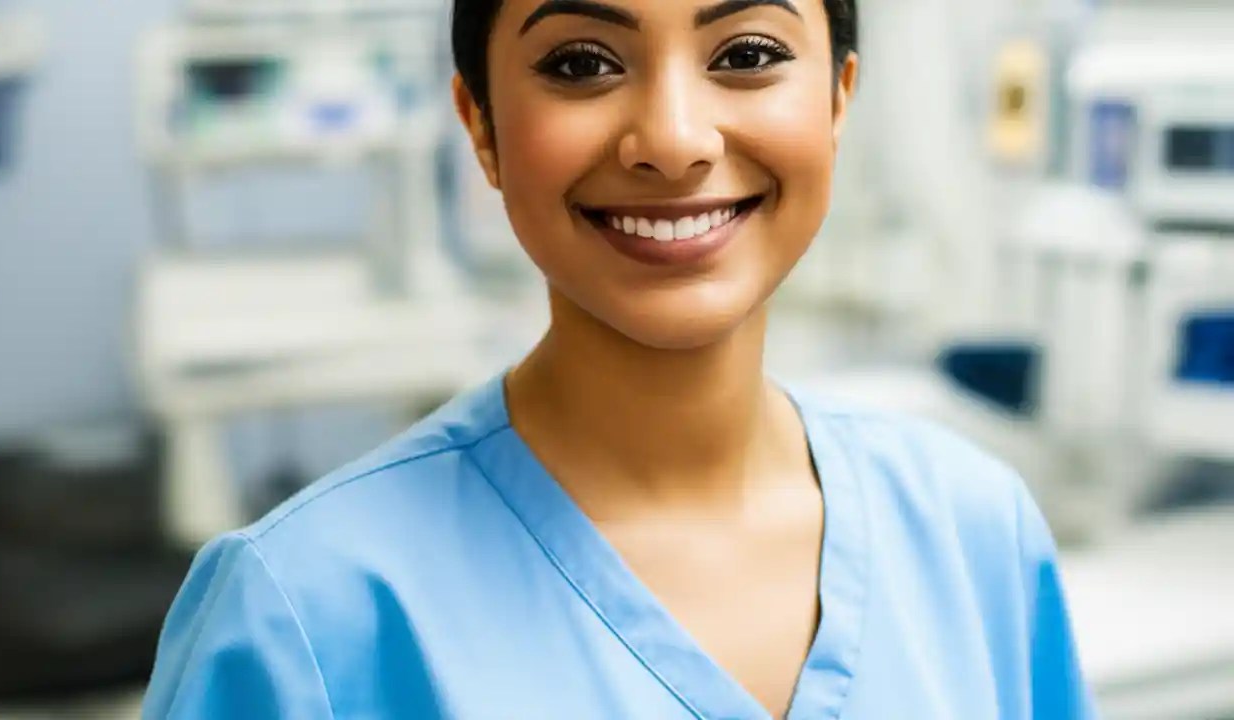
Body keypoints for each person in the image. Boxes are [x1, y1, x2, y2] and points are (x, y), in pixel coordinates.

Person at [142, 0, 1097, 717]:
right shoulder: (307, 616)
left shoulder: (973, 535)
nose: (674, 142)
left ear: (839, 101)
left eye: (748, 54)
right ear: (481, 126)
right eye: (582, 63)